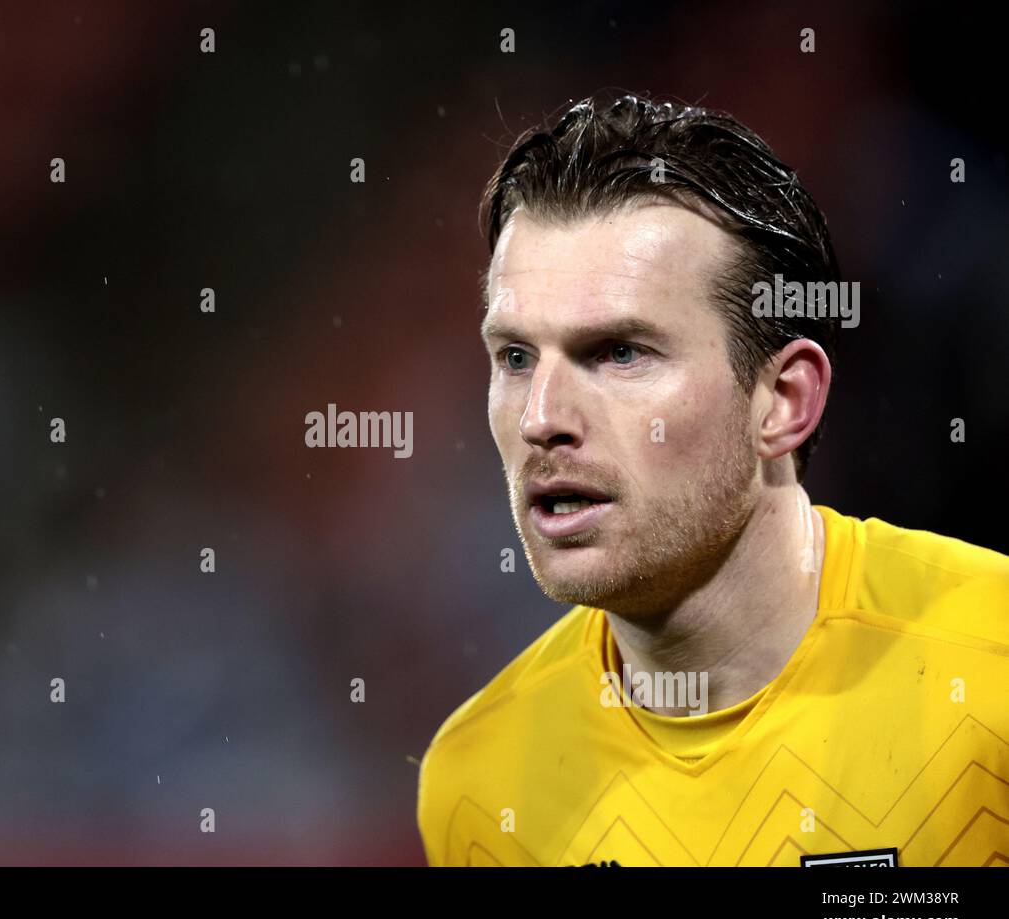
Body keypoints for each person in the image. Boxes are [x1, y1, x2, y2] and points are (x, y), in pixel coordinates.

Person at [416, 94, 1009, 867]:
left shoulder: (991, 668)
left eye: (620, 352)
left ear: (783, 402)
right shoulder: (476, 784)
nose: (541, 418)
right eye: (517, 357)